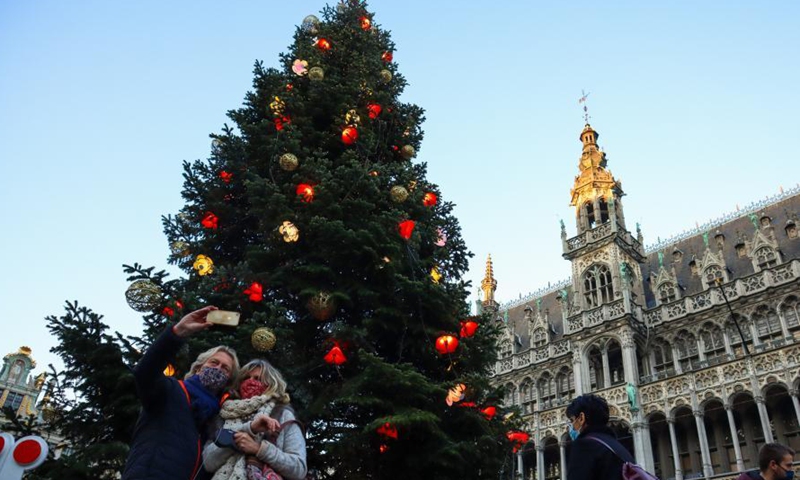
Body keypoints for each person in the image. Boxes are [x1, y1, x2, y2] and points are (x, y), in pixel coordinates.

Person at [122, 306, 240, 480]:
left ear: (229, 379)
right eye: (214, 362)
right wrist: (177, 333)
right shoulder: (170, 390)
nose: (218, 369)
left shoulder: (217, 417)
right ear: (199, 367)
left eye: (225, 368)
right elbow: (144, 372)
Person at [203, 359, 307, 480]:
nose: (250, 382)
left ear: (270, 385)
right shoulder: (224, 414)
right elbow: (208, 463)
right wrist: (247, 430)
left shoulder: (281, 413)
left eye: (257, 379)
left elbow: (299, 468)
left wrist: (259, 449)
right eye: (246, 378)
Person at [565, 394, 634, 480]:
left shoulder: (585, 445)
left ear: (581, 418)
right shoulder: (618, 447)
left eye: (572, 420)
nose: (570, 427)